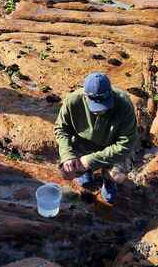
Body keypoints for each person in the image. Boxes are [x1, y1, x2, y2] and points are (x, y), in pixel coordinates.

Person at [53, 72, 137, 205]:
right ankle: (86, 171)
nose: (101, 111)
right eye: (96, 107)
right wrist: (67, 155)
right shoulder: (73, 101)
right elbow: (61, 129)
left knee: (117, 176)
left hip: (113, 148)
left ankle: (108, 180)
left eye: (104, 105)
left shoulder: (124, 105)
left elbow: (125, 146)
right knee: (66, 172)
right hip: (84, 144)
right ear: (85, 96)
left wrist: (90, 160)